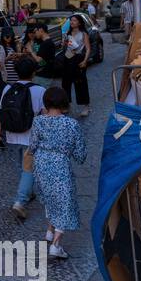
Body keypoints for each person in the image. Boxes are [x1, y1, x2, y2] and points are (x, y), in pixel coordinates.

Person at [29, 86, 87, 260]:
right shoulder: (71, 124)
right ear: (64, 104)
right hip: (60, 164)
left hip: (40, 162)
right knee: (64, 202)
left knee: (49, 197)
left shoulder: (38, 121)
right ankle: (55, 245)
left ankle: (49, 231)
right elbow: (80, 155)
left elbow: (32, 146)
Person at [3, 57, 47, 221]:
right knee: (28, 169)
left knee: (22, 167)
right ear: (34, 72)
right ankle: (20, 202)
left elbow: (1, 112)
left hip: (12, 135)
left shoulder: (7, 88)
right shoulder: (40, 90)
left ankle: (29, 191)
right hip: (31, 136)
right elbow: (44, 115)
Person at [61, 13, 92, 117]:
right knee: (66, 83)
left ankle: (86, 106)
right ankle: (66, 104)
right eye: (71, 20)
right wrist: (64, 43)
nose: (72, 22)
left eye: (74, 20)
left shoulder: (83, 33)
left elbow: (88, 48)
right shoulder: (67, 33)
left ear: (79, 22)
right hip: (67, 58)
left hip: (79, 59)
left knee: (81, 83)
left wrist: (85, 61)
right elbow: (65, 47)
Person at [27, 23, 59, 89]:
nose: (34, 34)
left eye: (35, 32)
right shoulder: (46, 42)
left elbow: (40, 61)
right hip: (45, 75)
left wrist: (31, 51)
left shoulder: (46, 43)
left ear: (41, 30)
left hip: (43, 76)